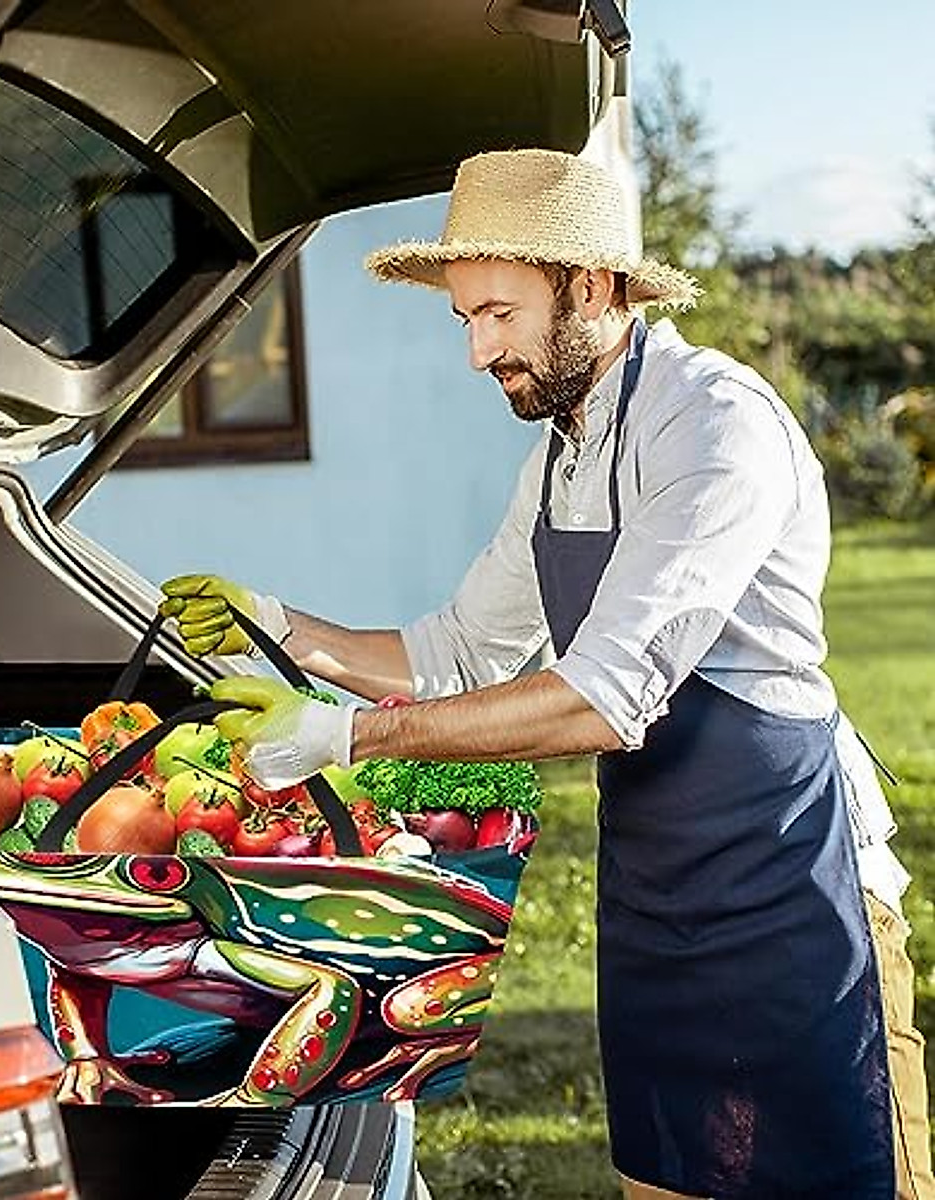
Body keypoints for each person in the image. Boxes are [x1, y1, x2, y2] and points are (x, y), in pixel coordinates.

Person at [158, 148, 933, 1200]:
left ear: (595, 286)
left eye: (500, 315)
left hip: (793, 881)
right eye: (466, 320)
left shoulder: (715, 428)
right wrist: (285, 626)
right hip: (657, 889)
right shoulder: (562, 454)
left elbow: (607, 696)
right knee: (669, 1179)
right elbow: (461, 653)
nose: (478, 352)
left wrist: (346, 738)